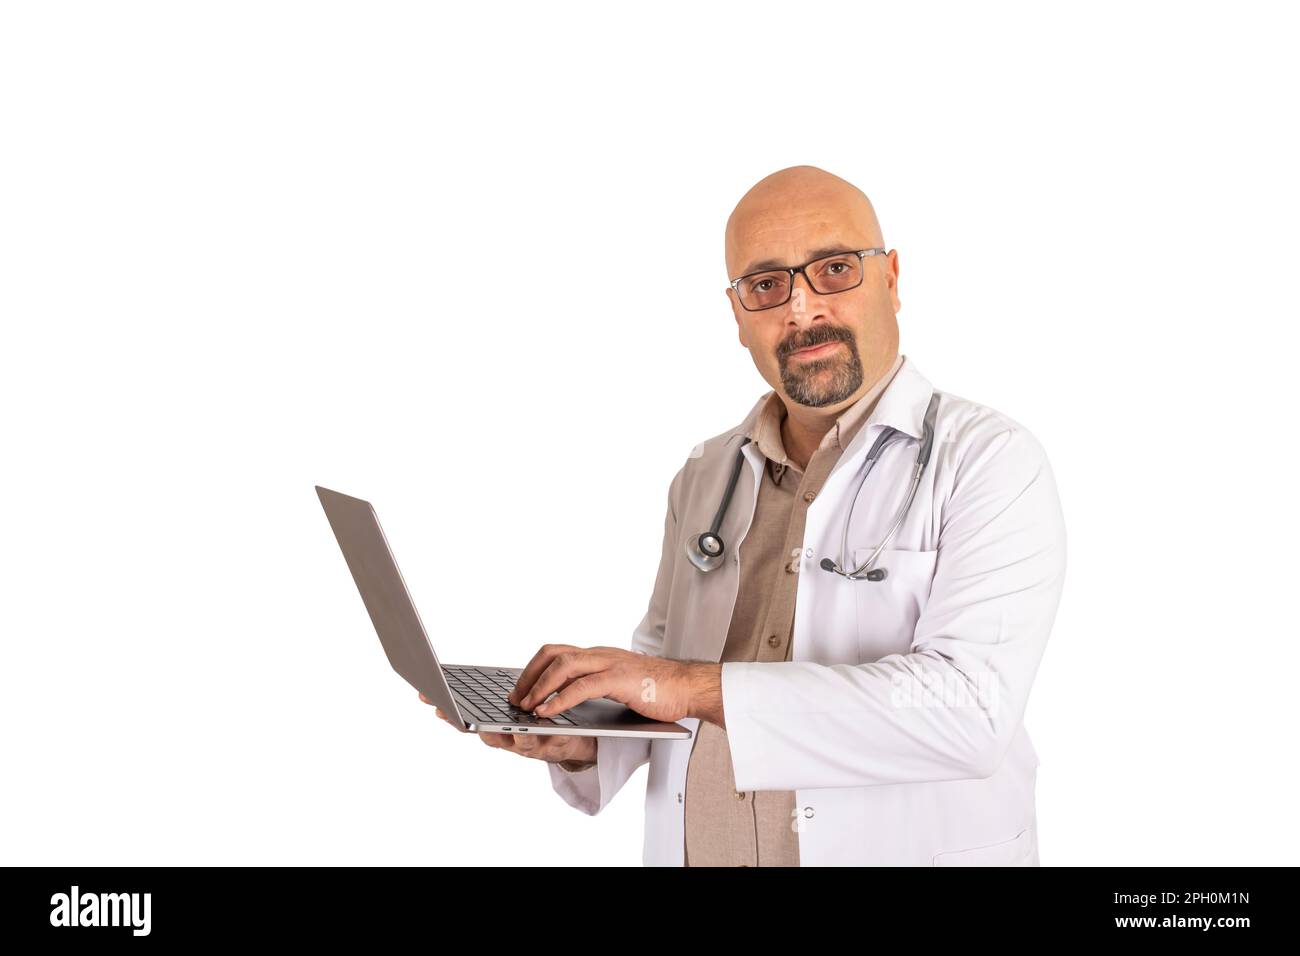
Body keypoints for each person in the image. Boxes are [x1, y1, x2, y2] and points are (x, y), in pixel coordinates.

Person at [423, 165, 1067, 866]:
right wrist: (585, 741)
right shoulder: (705, 476)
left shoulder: (991, 460)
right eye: (765, 285)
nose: (800, 308)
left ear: (891, 279)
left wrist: (679, 683)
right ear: (738, 317)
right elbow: (659, 688)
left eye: (834, 269)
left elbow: (969, 713)